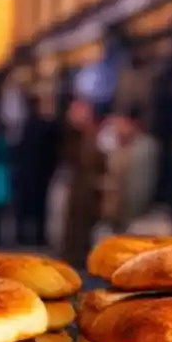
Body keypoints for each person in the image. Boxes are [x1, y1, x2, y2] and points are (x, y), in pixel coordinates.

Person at [101, 106, 160, 232]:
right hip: (113, 216)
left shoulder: (144, 149)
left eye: (120, 123)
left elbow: (139, 190)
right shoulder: (116, 146)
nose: (116, 128)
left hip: (132, 218)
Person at [61, 99, 105, 265]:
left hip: (90, 190)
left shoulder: (96, 135)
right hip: (78, 187)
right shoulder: (72, 136)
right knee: (73, 227)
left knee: (85, 227)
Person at [13, 95, 60, 246]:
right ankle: (29, 235)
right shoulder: (38, 125)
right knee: (31, 205)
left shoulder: (32, 124)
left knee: (36, 206)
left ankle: (31, 235)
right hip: (33, 171)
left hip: (38, 172)